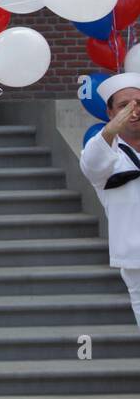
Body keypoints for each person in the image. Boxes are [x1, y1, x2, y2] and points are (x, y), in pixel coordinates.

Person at [80, 72, 140, 326]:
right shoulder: (104, 154)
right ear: (110, 113)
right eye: (124, 106)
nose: (133, 112)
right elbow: (91, 163)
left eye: (138, 104)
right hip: (136, 257)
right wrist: (109, 132)